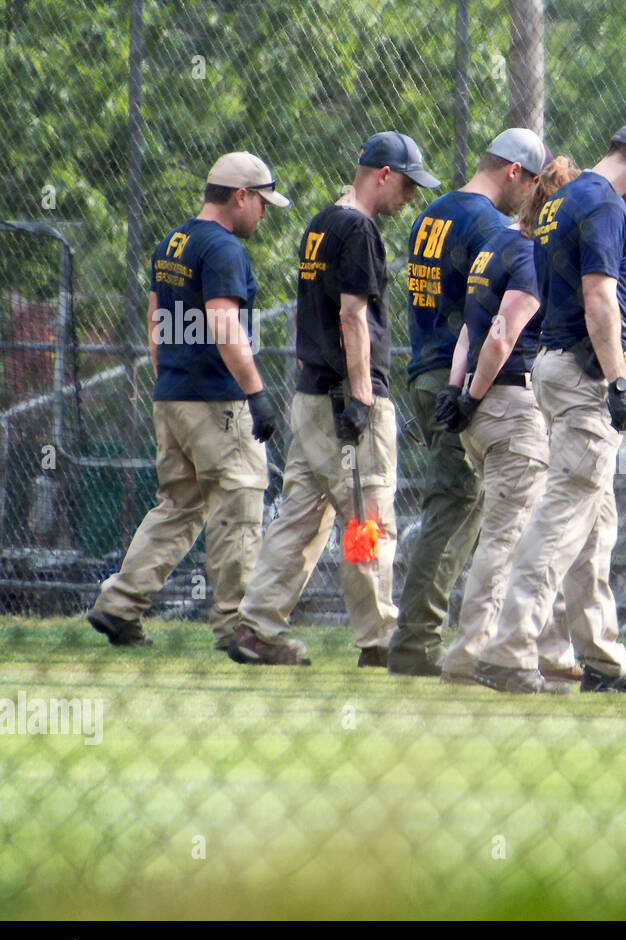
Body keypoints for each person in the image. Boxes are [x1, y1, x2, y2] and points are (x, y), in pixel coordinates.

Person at [472, 122, 626, 694]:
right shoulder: (605, 204)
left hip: (554, 365)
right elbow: (599, 296)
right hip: (587, 375)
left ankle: (602, 661)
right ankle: (509, 652)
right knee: (561, 520)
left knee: (595, 529)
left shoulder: (560, 199)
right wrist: (618, 381)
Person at [228, 132, 435, 666]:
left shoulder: (320, 224)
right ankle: (377, 639)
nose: (408, 198)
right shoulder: (360, 229)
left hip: (311, 394)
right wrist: (362, 398)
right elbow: (351, 316)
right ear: (383, 174)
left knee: (299, 517)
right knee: (367, 519)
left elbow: (309, 313)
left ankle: (255, 627)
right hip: (348, 399)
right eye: (407, 185)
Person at [87, 152, 290, 652]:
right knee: (238, 506)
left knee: (177, 506)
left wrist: (167, 382)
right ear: (240, 196)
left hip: (173, 395)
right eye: (262, 203)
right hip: (217, 401)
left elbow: (156, 320)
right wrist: (257, 394)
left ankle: (119, 603)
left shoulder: (172, 241)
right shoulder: (223, 250)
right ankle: (237, 629)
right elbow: (224, 325)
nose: (264, 215)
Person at [388, 128, 548, 678]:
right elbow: (488, 318)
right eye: (530, 183)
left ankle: (433, 638)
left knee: (459, 510)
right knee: (453, 512)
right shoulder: (490, 225)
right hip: (457, 378)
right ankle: (416, 645)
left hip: (424, 368)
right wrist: (469, 387)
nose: (530, 197)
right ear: (513, 172)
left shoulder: (431, 213)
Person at [436, 156, 586, 687]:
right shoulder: (528, 254)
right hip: (510, 406)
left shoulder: (493, 245)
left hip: (482, 406)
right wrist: (474, 396)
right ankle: (471, 651)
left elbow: (467, 333)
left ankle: (550, 648)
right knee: (507, 539)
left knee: (520, 532)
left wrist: (458, 393)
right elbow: (500, 335)